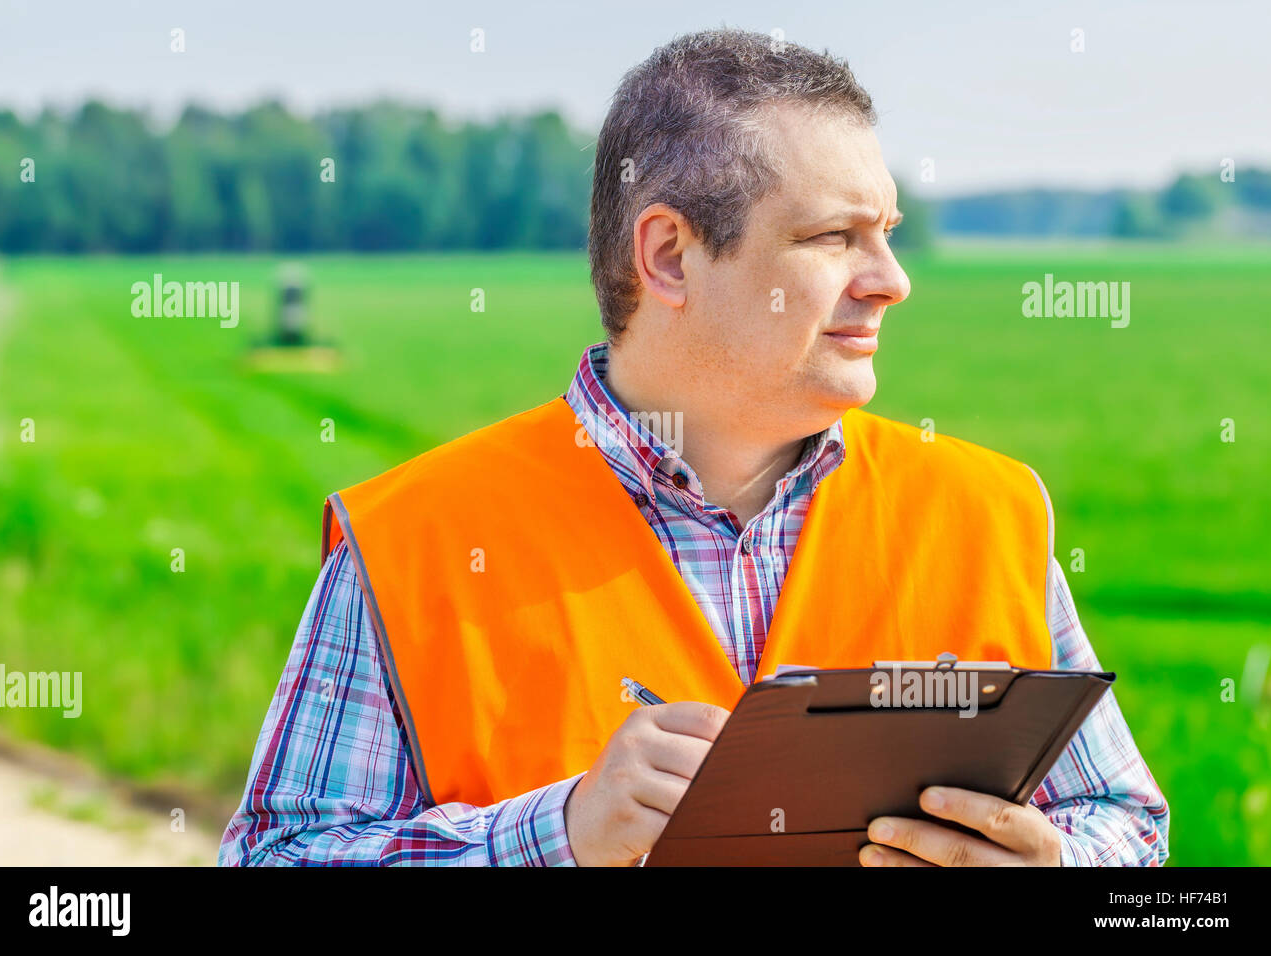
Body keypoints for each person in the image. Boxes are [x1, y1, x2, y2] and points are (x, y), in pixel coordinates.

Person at [219, 28, 1168, 867]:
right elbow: (278, 859)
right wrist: (560, 838)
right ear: (669, 255)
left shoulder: (983, 512)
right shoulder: (416, 541)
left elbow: (1128, 826)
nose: (892, 281)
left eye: (887, 233)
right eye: (836, 236)